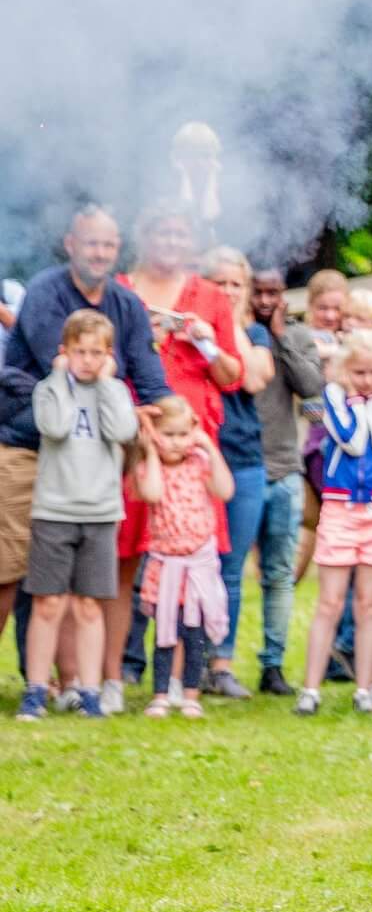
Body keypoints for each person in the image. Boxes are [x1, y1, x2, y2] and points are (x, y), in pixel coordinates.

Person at [0, 207, 169, 675]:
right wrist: (123, 404)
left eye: (108, 245)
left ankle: (68, 682)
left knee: (74, 578)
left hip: (90, 456)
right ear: (70, 244)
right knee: (9, 567)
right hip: (25, 444)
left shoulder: (127, 305)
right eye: (91, 243)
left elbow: (152, 381)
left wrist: (169, 418)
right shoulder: (43, 293)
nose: (100, 253)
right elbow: (77, 369)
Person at [117, 206, 243, 697]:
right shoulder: (123, 290)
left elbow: (232, 377)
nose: (171, 241)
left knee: (189, 552)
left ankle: (184, 677)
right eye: (162, 231)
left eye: (180, 233)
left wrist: (207, 344)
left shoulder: (208, 296)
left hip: (191, 447)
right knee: (125, 552)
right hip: (136, 438)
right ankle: (119, 665)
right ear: (144, 237)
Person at [21, 311, 139, 719]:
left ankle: (90, 691)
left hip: (101, 511)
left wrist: (106, 383)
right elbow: (54, 427)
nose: (87, 360)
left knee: (90, 605)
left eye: (96, 353)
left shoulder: (114, 390)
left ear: (108, 355)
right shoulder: (48, 390)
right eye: (79, 352)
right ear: (64, 352)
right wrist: (60, 380)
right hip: (55, 509)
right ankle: (36, 689)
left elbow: (123, 430)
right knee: (48, 603)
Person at [302, 329, 372, 715]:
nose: (366, 380)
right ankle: (310, 689)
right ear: (345, 371)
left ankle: (365, 688)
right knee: (329, 602)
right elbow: (352, 442)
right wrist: (361, 404)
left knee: (369, 603)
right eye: (358, 373)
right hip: (340, 507)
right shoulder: (332, 397)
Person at [244, 268, 324, 696]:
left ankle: (272, 665)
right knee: (223, 572)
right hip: (238, 465)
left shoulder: (297, 336)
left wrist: (281, 337)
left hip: (284, 468)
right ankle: (214, 663)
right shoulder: (232, 334)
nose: (266, 300)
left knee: (279, 573)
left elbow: (311, 388)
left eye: (274, 292)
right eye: (258, 291)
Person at [199, 248, 275, 699]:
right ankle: (147, 661)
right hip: (194, 458)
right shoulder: (190, 330)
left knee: (231, 568)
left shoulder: (255, 332)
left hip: (244, 458)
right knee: (175, 560)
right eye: (218, 283)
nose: (226, 292)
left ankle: (220, 664)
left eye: (235, 284)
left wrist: (226, 325)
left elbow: (253, 379)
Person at [135, 395, 233, 718]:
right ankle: (162, 693)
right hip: (167, 564)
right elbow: (151, 494)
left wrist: (209, 447)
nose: (176, 443)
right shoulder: (150, 468)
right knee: (166, 631)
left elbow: (225, 490)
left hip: (197, 565)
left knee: (195, 634)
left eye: (182, 434)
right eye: (168, 435)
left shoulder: (200, 464)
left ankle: (191, 693)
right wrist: (150, 451)